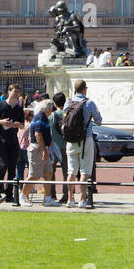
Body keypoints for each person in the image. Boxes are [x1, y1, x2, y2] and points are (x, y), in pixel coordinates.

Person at [63, 80, 102, 209]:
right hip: (86, 139)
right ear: (85, 89)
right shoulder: (89, 103)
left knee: (71, 171)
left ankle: (70, 198)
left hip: (70, 140)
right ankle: (82, 199)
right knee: (85, 171)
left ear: (75, 90)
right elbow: (99, 120)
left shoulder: (68, 102)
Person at [0, 86, 27, 206]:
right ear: (9, 92)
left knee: (12, 167)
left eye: (18, 91)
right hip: (0, 139)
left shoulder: (19, 108)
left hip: (13, 139)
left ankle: (9, 193)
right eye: (14, 91)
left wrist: (17, 125)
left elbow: (22, 125)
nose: (16, 93)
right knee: (3, 164)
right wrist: (1, 122)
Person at [27, 100, 59, 205]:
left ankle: (47, 198)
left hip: (42, 147)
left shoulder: (42, 117)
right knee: (35, 175)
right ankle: (23, 195)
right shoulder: (41, 117)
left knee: (48, 172)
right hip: (38, 148)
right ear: (49, 109)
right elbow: (38, 135)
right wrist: (44, 151)